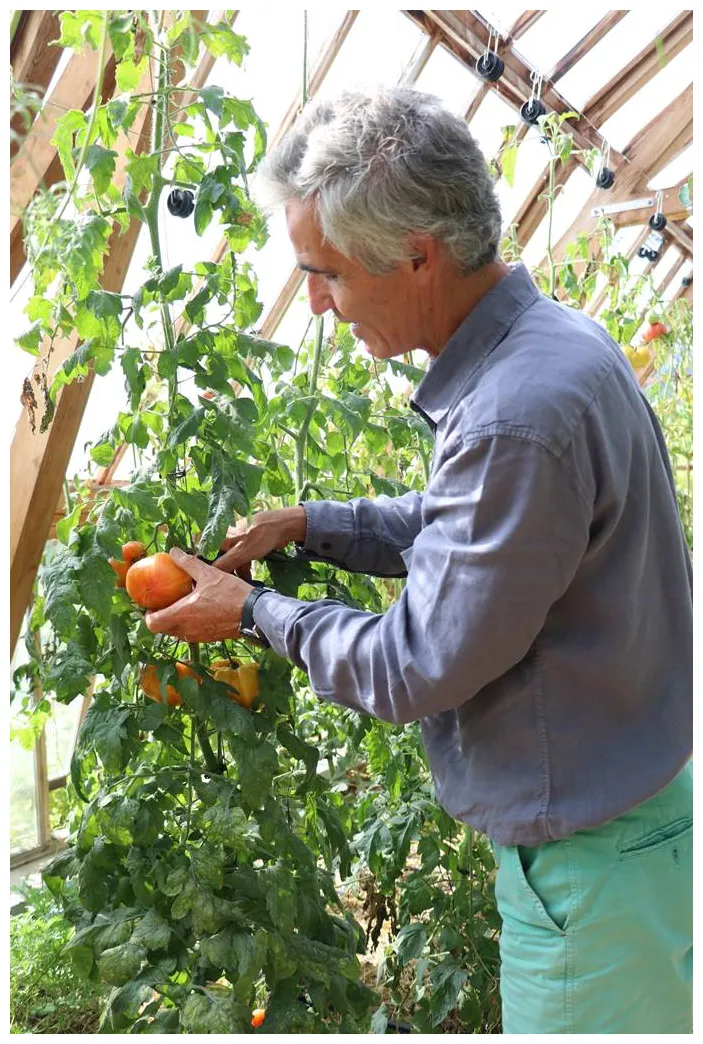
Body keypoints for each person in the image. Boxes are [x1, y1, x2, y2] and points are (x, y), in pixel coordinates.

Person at [145, 87, 693, 1034]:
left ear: (416, 256)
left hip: (586, 872)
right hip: (630, 828)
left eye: (326, 275)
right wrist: (313, 521)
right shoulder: (548, 349)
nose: (314, 304)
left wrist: (249, 613)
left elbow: (413, 666)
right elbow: (470, 530)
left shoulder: (513, 417)